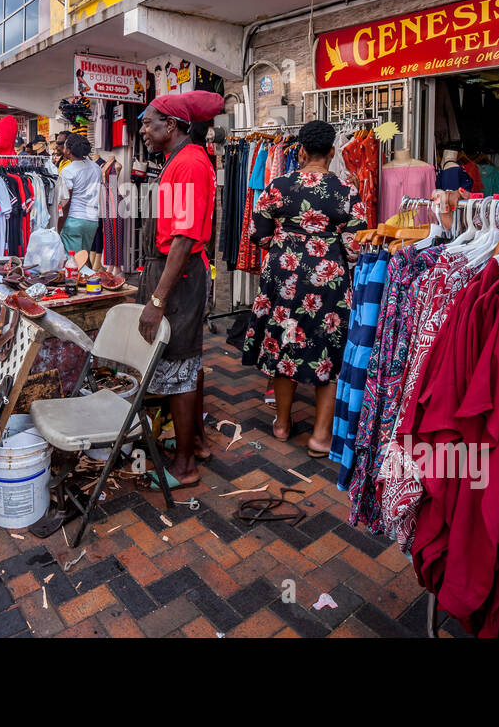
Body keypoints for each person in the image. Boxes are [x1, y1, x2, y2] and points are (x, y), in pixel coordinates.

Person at [242, 121, 362, 455]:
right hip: (329, 278)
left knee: (284, 343)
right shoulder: (346, 189)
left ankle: (281, 423)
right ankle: (321, 437)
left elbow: (258, 233)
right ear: (332, 153)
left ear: (301, 151)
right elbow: (354, 246)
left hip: (284, 276)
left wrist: (286, 245)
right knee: (328, 349)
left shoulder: (277, 185)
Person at [137, 89, 222, 488]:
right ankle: (198, 442)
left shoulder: (187, 163)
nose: (143, 131)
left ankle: (185, 466)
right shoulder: (182, 159)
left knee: (178, 367)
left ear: (170, 126)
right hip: (181, 274)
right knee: (188, 362)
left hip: (182, 276)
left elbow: (184, 240)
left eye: (148, 123)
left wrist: (157, 299)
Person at [57, 133, 102, 253]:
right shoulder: (96, 168)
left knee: (72, 262)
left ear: (68, 151)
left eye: (65, 146)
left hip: (74, 220)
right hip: (92, 220)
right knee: (84, 257)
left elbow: (66, 202)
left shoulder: (68, 171)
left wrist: (59, 226)